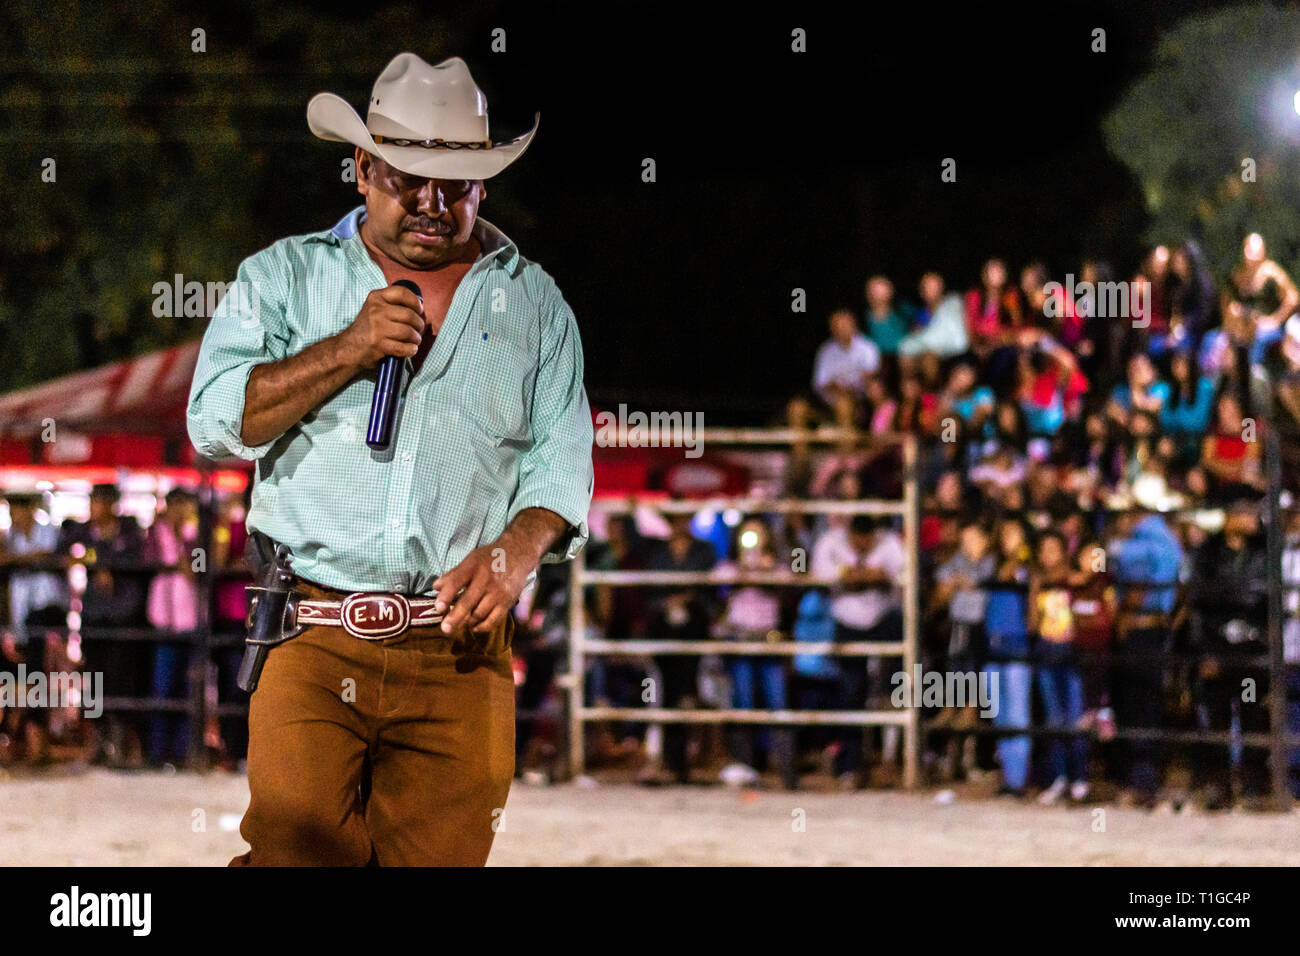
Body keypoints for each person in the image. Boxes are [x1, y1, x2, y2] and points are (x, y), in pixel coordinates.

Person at [187, 53, 593, 866]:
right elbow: (214, 422)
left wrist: (517, 551)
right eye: (411, 179)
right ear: (365, 169)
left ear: (485, 185)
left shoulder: (537, 304)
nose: (434, 205)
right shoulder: (283, 278)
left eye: (459, 185)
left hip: (459, 651)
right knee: (296, 855)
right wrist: (347, 348)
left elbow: (562, 459)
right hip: (311, 631)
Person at [812, 513, 905, 788]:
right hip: (847, 624)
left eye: (867, 542)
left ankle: (895, 762)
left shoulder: (890, 543)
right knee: (851, 692)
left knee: (897, 689)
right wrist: (866, 576)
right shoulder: (831, 542)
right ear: (850, 534)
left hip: (885, 621)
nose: (862, 546)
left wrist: (860, 576)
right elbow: (821, 577)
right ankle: (849, 766)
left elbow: (902, 575)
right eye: (857, 541)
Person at [61, 483, 149, 769]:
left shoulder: (130, 531)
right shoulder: (84, 532)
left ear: (111, 504)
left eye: (98, 502)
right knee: (95, 680)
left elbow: (136, 558)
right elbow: (62, 549)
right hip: (95, 619)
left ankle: (123, 743)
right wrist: (95, 562)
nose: (93, 508)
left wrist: (103, 562)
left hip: (124, 619)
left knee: (123, 680)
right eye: (92, 502)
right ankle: (99, 742)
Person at [713, 518, 796, 789]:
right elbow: (717, 577)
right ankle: (745, 769)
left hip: (769, 640)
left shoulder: (775, 565)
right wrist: (744, 572)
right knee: (744, 706)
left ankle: (787, 773)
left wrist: (765, 569)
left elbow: (790, 577)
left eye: (758, 535)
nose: (753, 541)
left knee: (778, 705)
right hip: (740, 640)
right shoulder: (730, 567)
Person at [1108, 510, 1183, 807]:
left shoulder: (1142, 542)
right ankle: (1147, 779)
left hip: (1138, 632)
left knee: (1135, 706)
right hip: (1157, 632)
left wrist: (1125, 617)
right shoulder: (1169, 542)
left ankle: (1140, 781)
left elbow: (1138, 586)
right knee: (1149, 705)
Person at [642, 511, 717, 784]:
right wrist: (667, 603)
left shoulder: (704, 550)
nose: (680, 524)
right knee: (670, 694)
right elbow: (649, 593)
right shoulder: (657, 551)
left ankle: (690, 760)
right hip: (663, 629)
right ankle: (675, 762)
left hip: (694, 629)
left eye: (684, 518)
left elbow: (709, 590)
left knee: (689, 692)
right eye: (675, 519)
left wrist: (686, 598)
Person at [0, 491, 68, 765]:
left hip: (46, 618)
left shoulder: (47, 532)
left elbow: (50, 555)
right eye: (12, 508)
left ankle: (35, 743)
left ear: (30, 509)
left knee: (35, 679)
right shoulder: (10, 538)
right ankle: (23, 740)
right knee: (20, 679)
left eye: (19, 507)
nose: (15, 513)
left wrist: (16, 559)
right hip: (19, 623)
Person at [1029, 530, 1089, 804]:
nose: (1048, 555)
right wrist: (1033, 591)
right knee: (1053, 718)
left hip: (1071, 651)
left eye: (1054, 548)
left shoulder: (1077, 579)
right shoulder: (1038, 581)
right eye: (1044, 549)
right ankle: (1058, 777)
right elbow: (1032, 623)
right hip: (1046, 649)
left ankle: (1080, 778)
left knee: (1076, 717)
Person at [144, 488, 199, 767]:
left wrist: (182, 556)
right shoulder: (156, 533)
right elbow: (147, 563)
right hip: (162, 619)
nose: (182, 510)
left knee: (188, 687)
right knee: (162, 686)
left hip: (190, 618)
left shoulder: (196, 536)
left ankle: (183, 752)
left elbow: (199, 570)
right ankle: (157, 752)